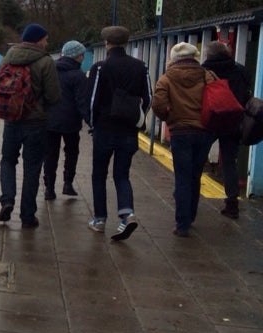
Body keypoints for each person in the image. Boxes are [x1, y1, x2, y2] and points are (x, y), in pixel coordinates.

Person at [82, 26, 150, 241]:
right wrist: (136, 120)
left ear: (106, 43)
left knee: (99, 174)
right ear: (126, 43)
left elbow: (92, 101)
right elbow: (147, 98)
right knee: (122, 174)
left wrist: (93, 123)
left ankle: (100, 219)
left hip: (104, 128)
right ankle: (127, 214)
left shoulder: (101, 68)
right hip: (128, 130)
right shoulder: (140, 67)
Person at [0, 23, 61, 228]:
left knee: (8, 160)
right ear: (38, 40)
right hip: (36, 123)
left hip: (11, 119)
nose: (47, 42)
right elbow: (53, 95)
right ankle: (27, 215)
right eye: (45, 39)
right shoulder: (45, 61)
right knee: (32, 168)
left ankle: (7, 200)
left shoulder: (8, 57)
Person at [152, 42, 218, 237]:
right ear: (195, 56)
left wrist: (168, 118)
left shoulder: (166, 78)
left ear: (173, 58)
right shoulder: (208, 75)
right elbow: (217, 99)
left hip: (180, 132)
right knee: (195, 175)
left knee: (182, 177)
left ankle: (182, 224)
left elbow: (158, 104)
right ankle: (191, 216)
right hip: (204, 131)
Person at [201, 41, 251, 219]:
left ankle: (189, 198)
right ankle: (232, 204)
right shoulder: (240, 70)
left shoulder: (203, 71)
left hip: (210, 121)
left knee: (198, 160)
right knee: (230, 163)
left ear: (209, 55)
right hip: (232, 120)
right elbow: (246, 94)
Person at [43, 40, 87, 200]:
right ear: (78, 56)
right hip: (71, 122)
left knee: (50, 154)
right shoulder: (78, 76)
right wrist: (90, 121)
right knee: (72, 152)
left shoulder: (50, 71)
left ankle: (49, 188)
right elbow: (82, 102)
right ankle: (68, 183)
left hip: (49, 121)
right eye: (82, 55)